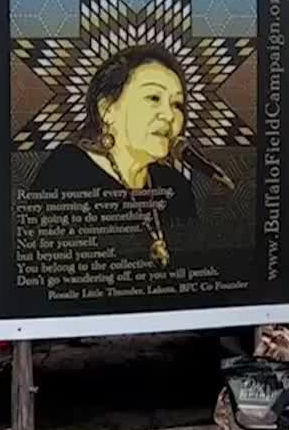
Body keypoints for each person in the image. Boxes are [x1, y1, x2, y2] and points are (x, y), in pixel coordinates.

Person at [37, 46, 199, 267]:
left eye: (177, 104)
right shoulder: (65, 173)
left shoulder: (176, 186)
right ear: (107, 108)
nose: (170, 115)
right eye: (153, 97)